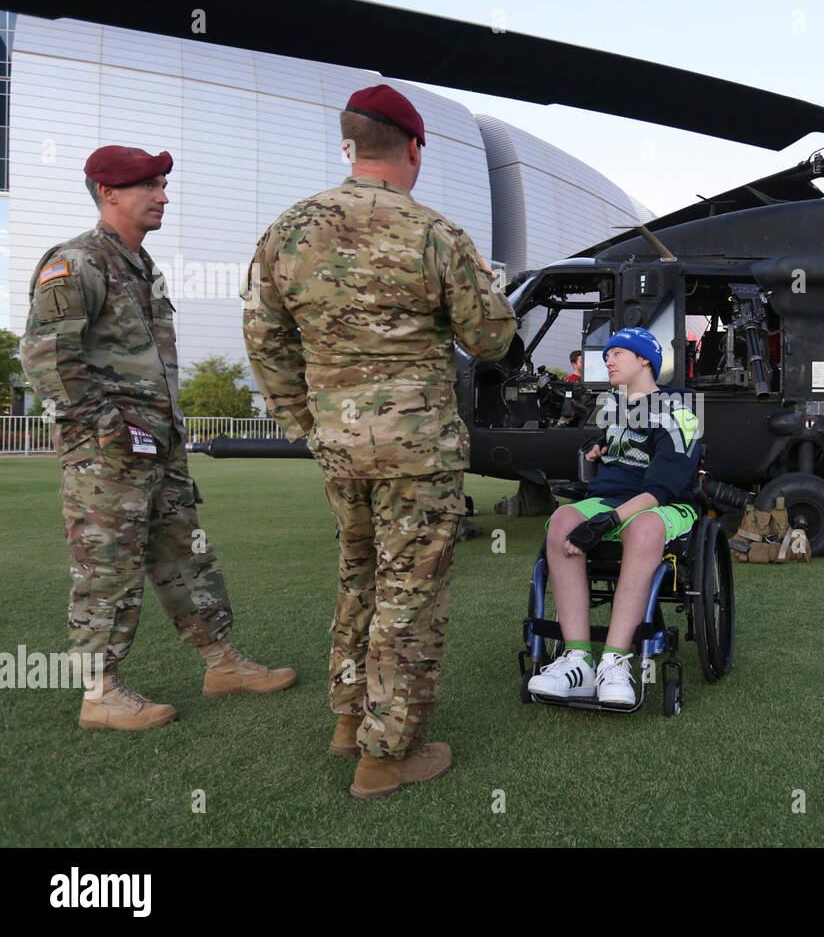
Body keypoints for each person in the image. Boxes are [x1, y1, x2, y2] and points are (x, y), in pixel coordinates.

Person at [243, 84, 517, 800]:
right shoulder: (437, 233)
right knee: (410, 593)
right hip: (417, 447)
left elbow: (265, 338)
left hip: (340, 443)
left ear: (350, 144)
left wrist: (306, 421)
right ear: (414, 148)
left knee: (357, 574)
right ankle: (387, 753)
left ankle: (347, 718)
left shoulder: (287, 230)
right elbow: (489, 339)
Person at [20, 145, 297, 732]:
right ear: (108, 192)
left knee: (187, 554)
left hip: (158, 448)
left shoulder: (141, 268)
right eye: (148, 185)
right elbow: (47, 358)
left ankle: (221, 663)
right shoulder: (76, 263)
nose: (163, 196)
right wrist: (108, 431)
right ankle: (101, 693)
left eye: (163, 184)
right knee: (107, 567)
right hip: (108, 456)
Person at [528, 326, 702, 706]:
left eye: (617, 353)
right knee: (561, 522)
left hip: (663, 504)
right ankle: (577, 658)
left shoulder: (678, 412)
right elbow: (615, 444)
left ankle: (615, 660)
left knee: (642, 529)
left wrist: (607, 522)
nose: (607, 359)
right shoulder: (618, 409)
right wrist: (595, 446)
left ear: (645, 360)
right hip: (610, 499)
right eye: (606, 354)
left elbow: (659, 491)